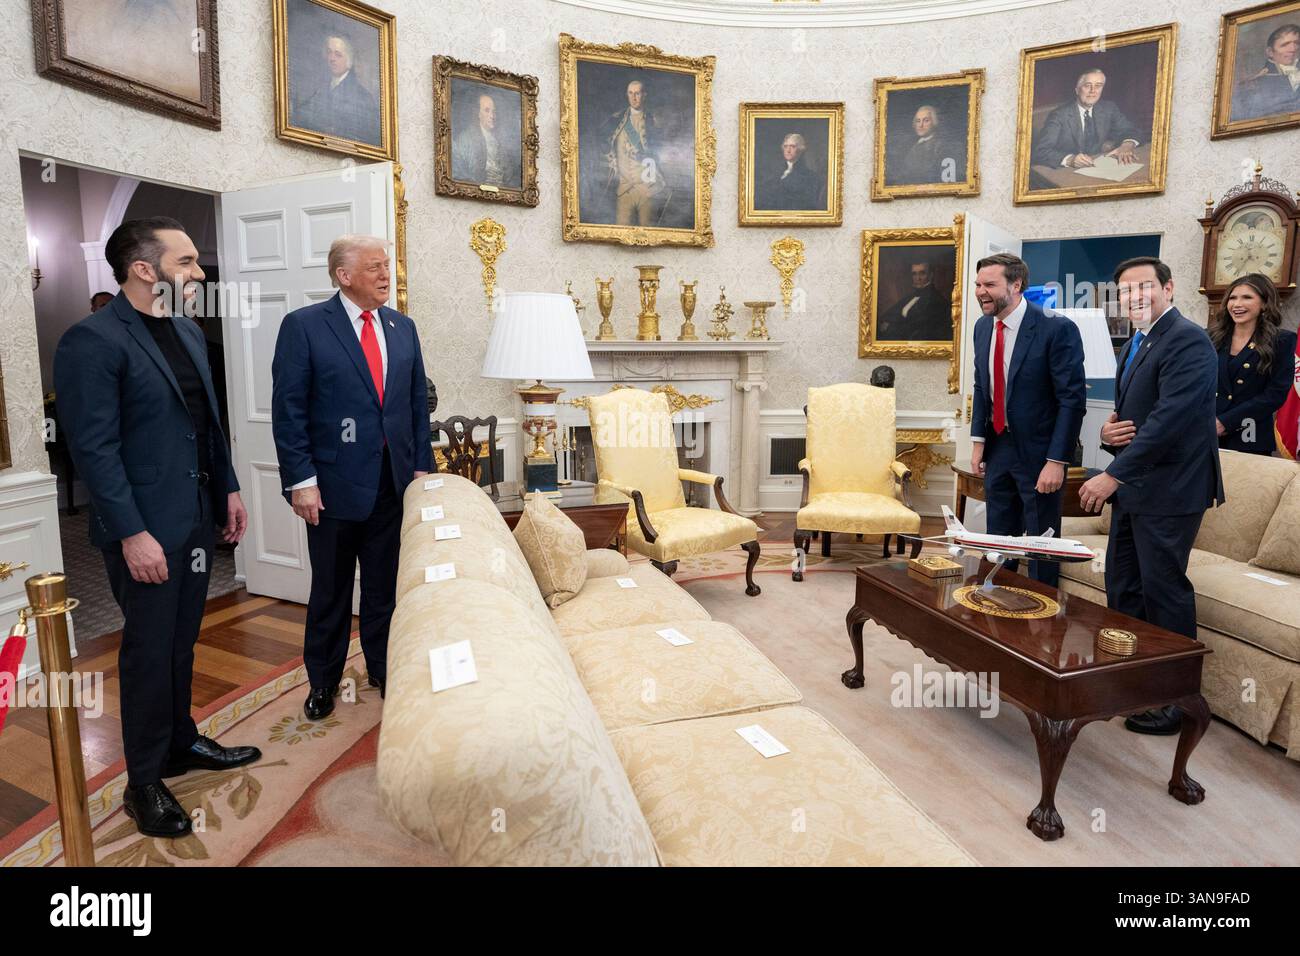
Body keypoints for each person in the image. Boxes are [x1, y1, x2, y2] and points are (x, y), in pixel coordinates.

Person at [53, 217, 259, 838]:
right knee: (147, 650)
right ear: (145, 270)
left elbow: (208, 424)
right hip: (144, 527)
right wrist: (131, 533)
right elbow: (94, 449)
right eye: (188, 262)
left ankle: (180, 744)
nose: (200, 273)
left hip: (197, 517)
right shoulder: (91, 341)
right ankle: (142, 781)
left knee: (182, 640)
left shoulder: (190, 333)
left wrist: (228, 488)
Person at [272, 235, 432, 721]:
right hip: (332, 488)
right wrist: (301, 481)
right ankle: (323, 682)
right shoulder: (304, 327)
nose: (387, 275)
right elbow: (289, 410)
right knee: (331, 592)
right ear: (343, 276)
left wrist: (422, 468)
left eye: (387, 266)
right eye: (374, 268)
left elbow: (413, 407)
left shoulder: (403, 327)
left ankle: (384, 670)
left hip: (393, 485)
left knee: (385, 588)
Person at [1078, 257, 1224, 735]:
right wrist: (1107, 433)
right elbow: (1132, 418)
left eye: (1143, 286)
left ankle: (1175, 701)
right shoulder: (1136, 343)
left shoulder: (1188, 340)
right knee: (1124, 586)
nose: (1133, 296)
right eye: (1124, 290)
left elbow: (1169, 422)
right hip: (1138, 487)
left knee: (1163, 589)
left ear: (1168, 287)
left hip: (1172, 490)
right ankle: (1132, 681)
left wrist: (1112, 476)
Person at [969, 253, 1086, 586]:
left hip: (1040, 455)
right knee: (998, 542)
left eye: (989, 284)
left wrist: (1057, 461)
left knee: (1040, 546)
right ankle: (998, 610)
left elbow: (1072, 401)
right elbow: (982, 387)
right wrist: (979, 443)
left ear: (1016, 284)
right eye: (978, 284)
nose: (980, 291)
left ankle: (1042, 623)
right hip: (998, 449)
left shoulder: (1056, 328)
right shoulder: (981, 328)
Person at [1208, 273, 1297, 455]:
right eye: (1232, 298)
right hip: (1205, 432)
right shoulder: (1209, 337)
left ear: (1265, 304)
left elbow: (1276, 394)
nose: (1237, 304)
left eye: (1247, 297)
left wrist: (1226, 421)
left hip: (1250, 437)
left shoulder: (1282, 341)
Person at [1031, 68, 1142, 170]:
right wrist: (1070, 160)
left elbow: (1131, 130)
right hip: (1067, 172)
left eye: (1098, 85)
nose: (1093, 91)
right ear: (1077, 90)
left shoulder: (1108, 108)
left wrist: (1127, 145)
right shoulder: (1059, 115)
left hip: (1098, 167)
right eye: (1087, 85)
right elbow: (1040, 151)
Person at [294, 34, 381, 146]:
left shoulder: (362, 96)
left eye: (338, 54)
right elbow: (304, 114)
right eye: (329, 52)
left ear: (348, 59)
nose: (332, 58)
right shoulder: (322, 88)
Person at [603, 79, 667, 226]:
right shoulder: (616, 120)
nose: (634, 97)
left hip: (647, 190)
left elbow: (660, 152)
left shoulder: (653, 121)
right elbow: (604, 147)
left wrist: (645, 154)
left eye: (637, 93)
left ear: (644, 95)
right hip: (623, 190)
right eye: (630, 93)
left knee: (647, 236)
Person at [451, 91, 521, 189]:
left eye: (494, 111)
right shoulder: (465, 139)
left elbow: (509, 173)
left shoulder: (498, 140)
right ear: (478, 114)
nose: (492, 116)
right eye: (487, 110)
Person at [877, 260, 952, 342]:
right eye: (914, 274)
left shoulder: (935, 300)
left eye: (922, 273)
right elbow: (892, 313)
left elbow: (916, 328)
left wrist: (890, 326)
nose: (918, 278)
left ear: (931, 275)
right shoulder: (911, 296)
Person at [1237, 23, 1300, 121]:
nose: (1293, 49)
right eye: (1284, 45)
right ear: (1270, 52)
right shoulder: (1254, 85)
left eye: (1297, 43)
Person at [890, 105, 963, 186]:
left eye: (926, 120)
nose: (921, 125)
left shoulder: (941, 146)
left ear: (934, 122)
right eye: (918, 121)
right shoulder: (912, 145)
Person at [756, 132, 826, 210]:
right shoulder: (776, 173)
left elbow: (807, 204)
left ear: (800, 149)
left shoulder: (810, 177)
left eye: (792, 146)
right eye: (785, 146)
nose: (788, 150)